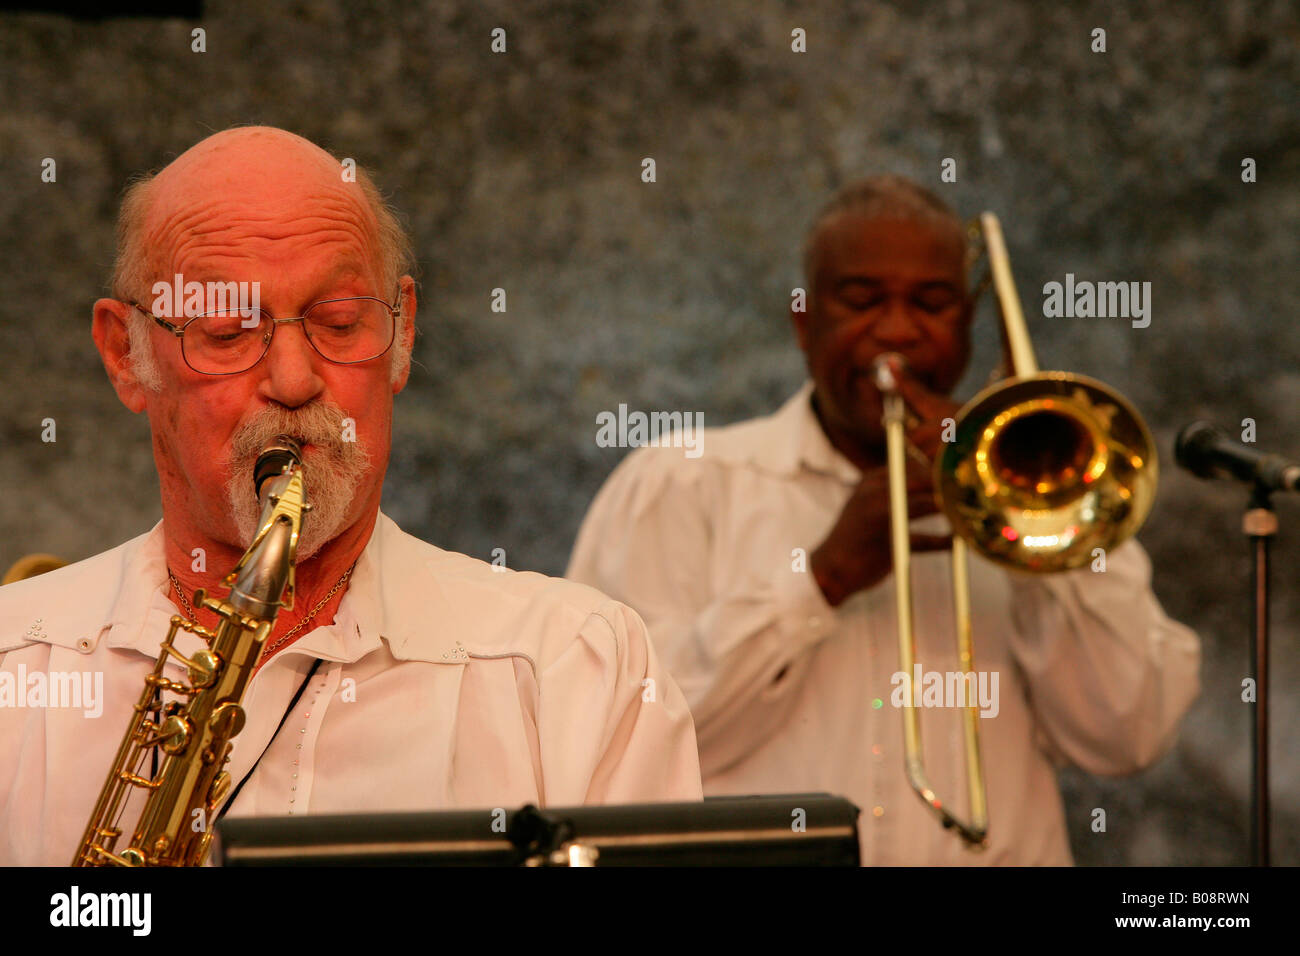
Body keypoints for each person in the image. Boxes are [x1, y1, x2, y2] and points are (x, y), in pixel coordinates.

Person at [0, 126, 701, 866]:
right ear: (125, 355)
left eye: (339, 322)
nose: (295, 381)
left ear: (402, 334)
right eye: (230, 331)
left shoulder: (577, 666)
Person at [567, 175, 1200, 865]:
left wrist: (1032, 539)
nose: (897, 331)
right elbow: (613, 743)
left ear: (965, 325)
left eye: (931, 304)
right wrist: (821, 580)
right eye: (863, 301)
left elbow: (1129, 736)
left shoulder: (1055, 491)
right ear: (805, 324)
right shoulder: (682, 482)